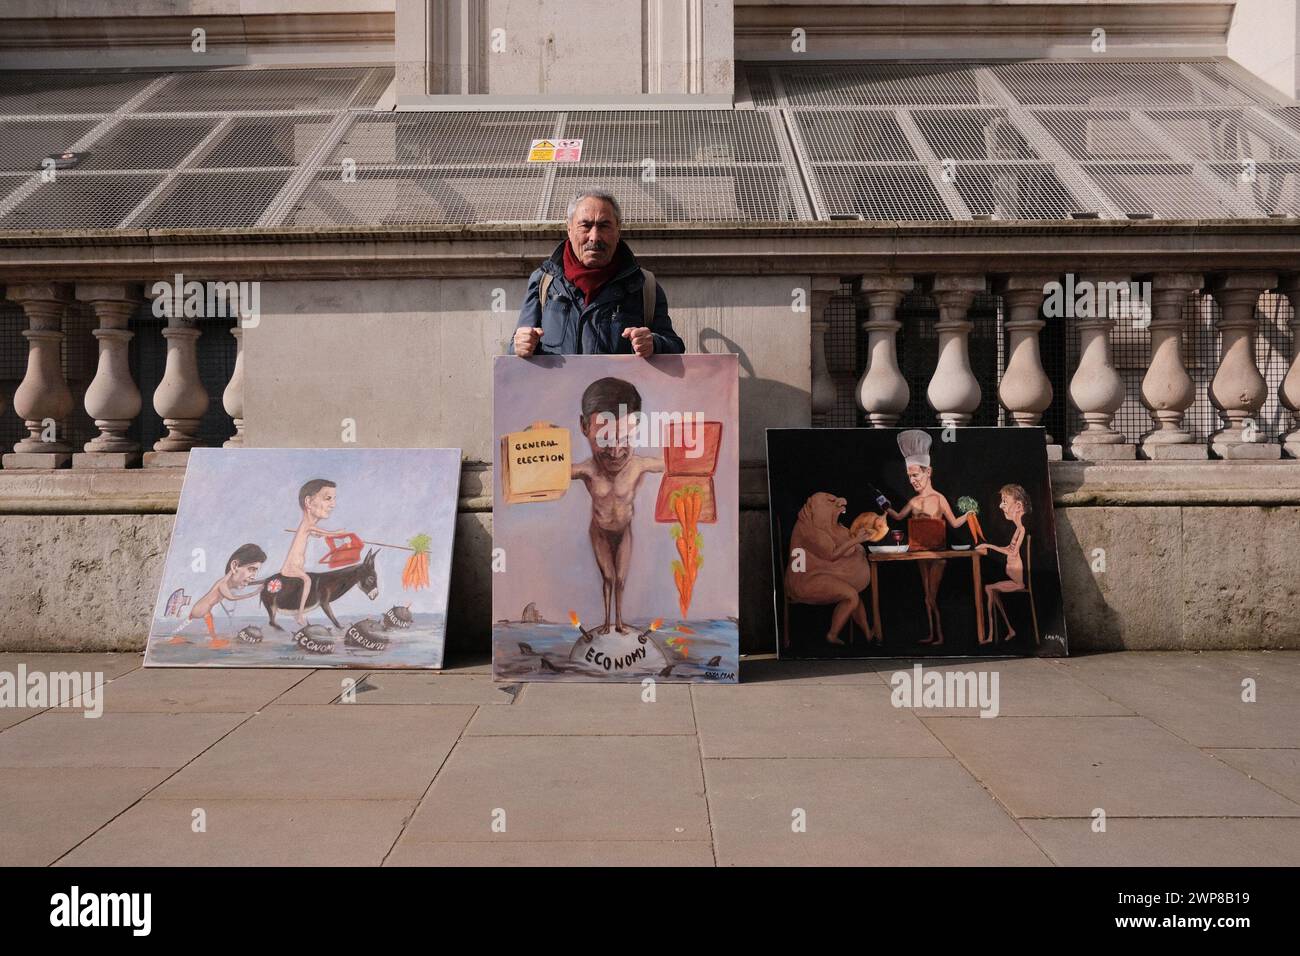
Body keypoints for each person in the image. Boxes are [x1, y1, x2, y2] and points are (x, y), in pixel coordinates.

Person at [513, 189, 685, 357]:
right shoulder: (544, 282)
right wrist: (521, 345)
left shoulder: (644, 286)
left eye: (604, 226)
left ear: (618, 231)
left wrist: (654, 343)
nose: (594, 237)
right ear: (569, 229)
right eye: (585, 226)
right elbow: (515, 349)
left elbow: (675, 347)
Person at [571, 377, 665, 634]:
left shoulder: (637, 466)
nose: (615, 451)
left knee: (621, 579)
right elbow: (550, 471)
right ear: (583, 426)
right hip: (599, 531)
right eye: (604, 440)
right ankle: (606, 622)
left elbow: (674, 464)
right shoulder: (589, 470)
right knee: (608, 578)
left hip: (624, 532)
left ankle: (620, 622)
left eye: (624, 438)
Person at [883, 429, 976, 647]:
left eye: (916, 475)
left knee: (932, 596)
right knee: (926, 597)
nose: (913, 480)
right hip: (919, 552)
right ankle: (933, 634)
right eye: (910, 476)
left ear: (928, 472)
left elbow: (953, 523)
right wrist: (885, 506)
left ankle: (940, 635)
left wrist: (969, 514)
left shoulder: (939, 498)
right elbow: (898, 516)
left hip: (937, 555)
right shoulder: (914, 502)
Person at [166, 544, 266, 648]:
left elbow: (245, 582)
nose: (254, 576)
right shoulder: (222, 584)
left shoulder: (229, 583)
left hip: (201, 609)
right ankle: (210, 640)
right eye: (251, 569)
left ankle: (183, 637)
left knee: (195, 626)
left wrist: (263, 582)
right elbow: (231, 597)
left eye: (256, 571)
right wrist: (253, 593)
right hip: (201, 609)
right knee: (205, 628)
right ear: (235, 566)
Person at [281, 478, 340, 627]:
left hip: (297, 566)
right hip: (291, 567)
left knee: (306, 581)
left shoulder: (309, 525)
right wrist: (338, 533)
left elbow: (313, 531)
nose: (333, 504)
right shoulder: (307, 524)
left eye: (333, 499)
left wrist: (316, 533)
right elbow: (320, 531)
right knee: (307, 580)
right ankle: (300, 615)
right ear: (308, 502)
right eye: (328, 499)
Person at [977, 484, 1031, 642]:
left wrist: (988, 546)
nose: (1001, 506)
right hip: (1012, 578)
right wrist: (989, 546)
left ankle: (990, 635)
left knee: (988, 588)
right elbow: (1009, 547)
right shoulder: (1017, 529)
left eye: (1005, 502)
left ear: (1018, 506)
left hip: (1017, 582)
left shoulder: (1021, 529)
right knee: (992, 592)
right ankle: (1010, 629)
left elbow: (1012, 552)